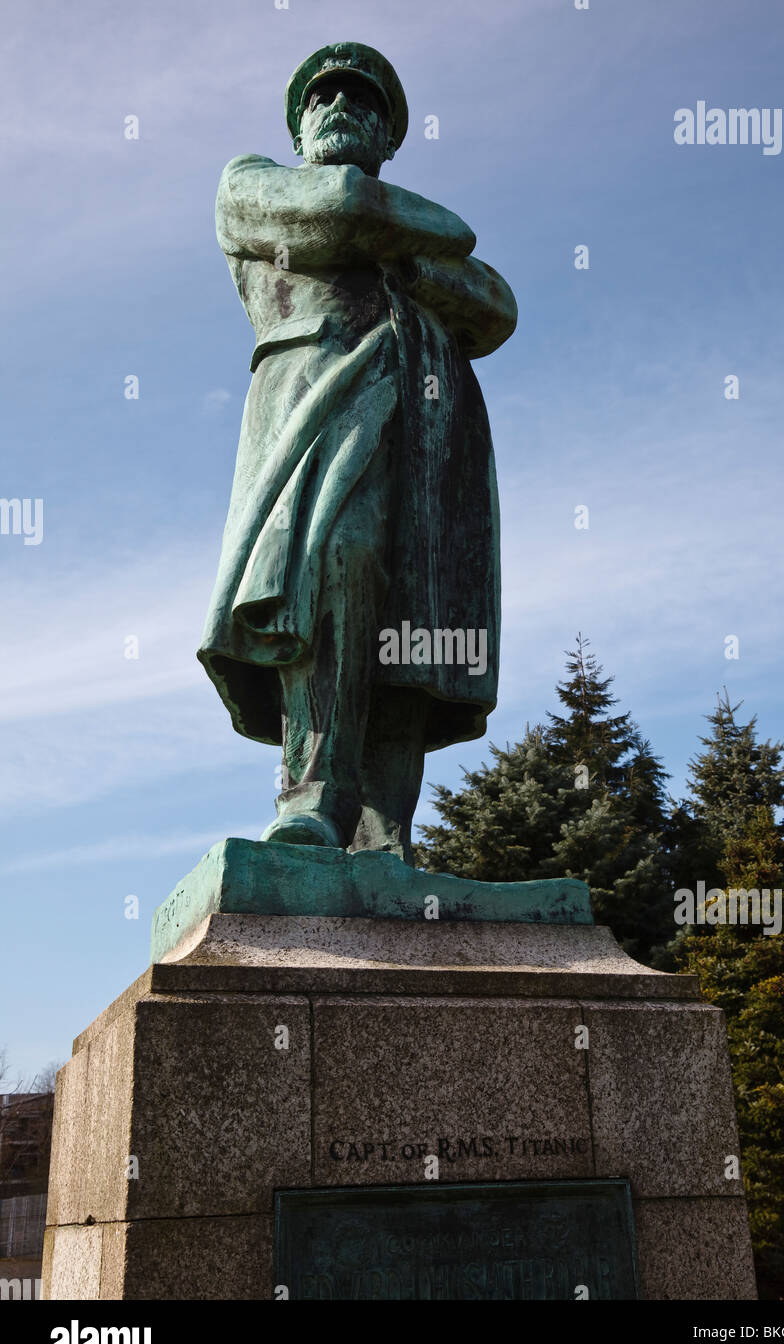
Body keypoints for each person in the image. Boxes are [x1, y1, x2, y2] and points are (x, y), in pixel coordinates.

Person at [198, 42, 517, 861]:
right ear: (299, 124)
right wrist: (425, 243)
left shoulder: (395, 224)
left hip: (433, 428)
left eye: (364, 102)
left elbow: (494, 305)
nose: (340, 107)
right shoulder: (250, 181)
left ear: (388, 136)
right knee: (335, 565)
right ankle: (312, 800)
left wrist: (400, 249)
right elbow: (341, 206)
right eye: (323, 97)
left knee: (422, 613)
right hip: (322, 401)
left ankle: (384, 833)